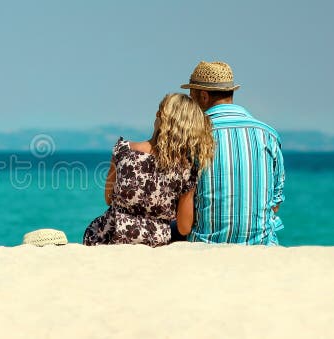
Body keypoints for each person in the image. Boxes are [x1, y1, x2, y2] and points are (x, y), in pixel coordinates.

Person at [83, 93, 214, 247]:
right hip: (156, 241)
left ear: (159, 117)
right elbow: (184, 227)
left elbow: (108, 198)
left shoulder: (123, 149)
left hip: (111, 235)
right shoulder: (187, 168)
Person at [180, 61, 286, 245]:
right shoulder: (268, 135)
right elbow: (275, 204)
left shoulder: (193, 138)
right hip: (262, 246)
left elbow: (184, 213)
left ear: (203, 96)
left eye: (192, 97)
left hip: (206, 245)